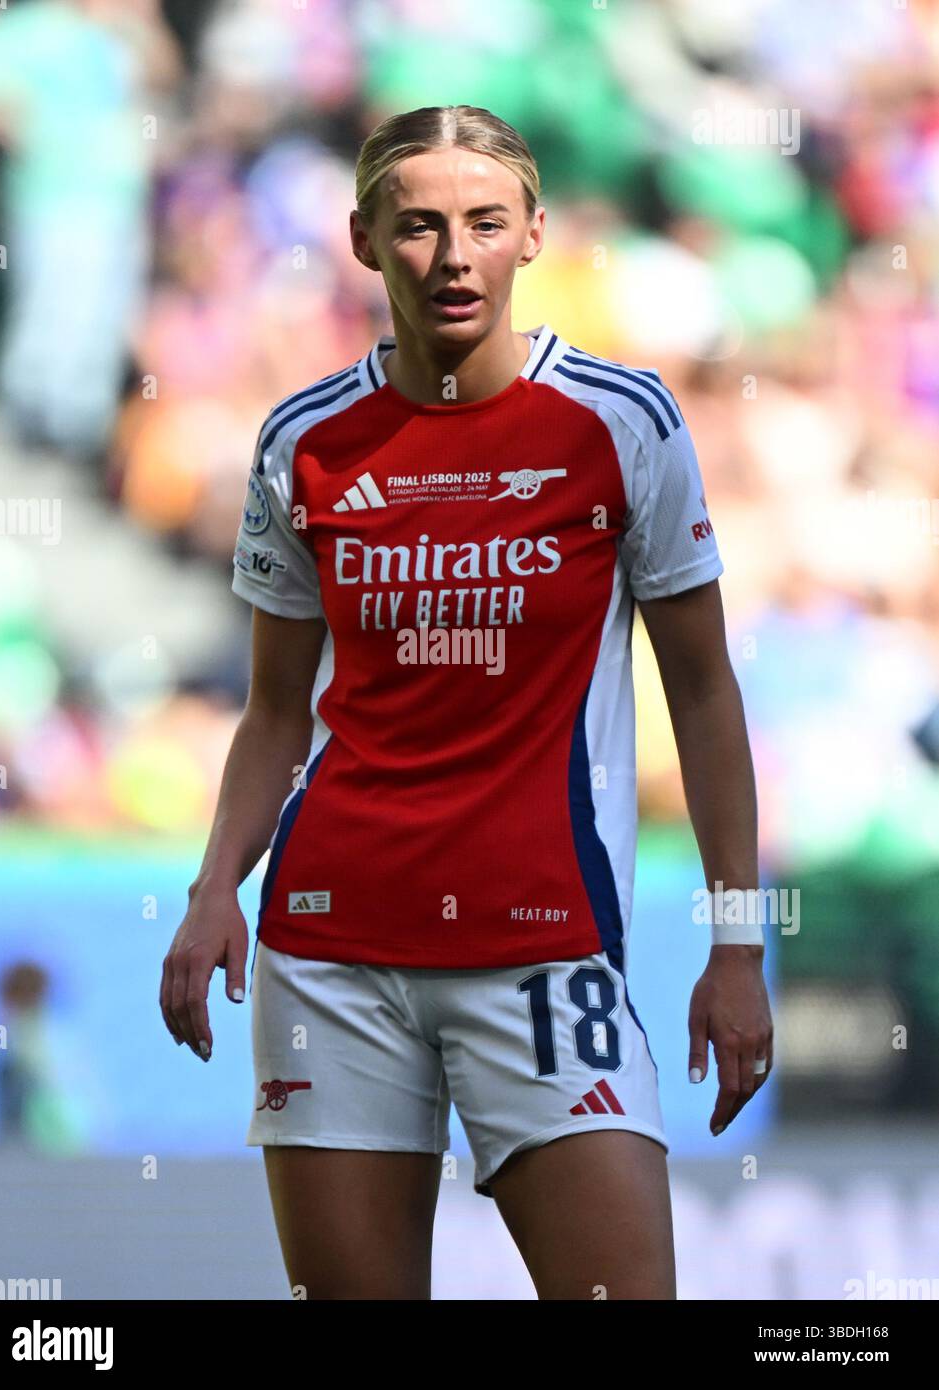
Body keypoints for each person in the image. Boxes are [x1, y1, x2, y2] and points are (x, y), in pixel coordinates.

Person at [160, 104, 773, 1301]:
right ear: (360, 240)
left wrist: (738, 939)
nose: (452, 258)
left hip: (547, 954)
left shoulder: (622, 422)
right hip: (331, 951)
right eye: (419, 227)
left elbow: (700, 689)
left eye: (484, 224)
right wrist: (208, 891)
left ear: (533, 234)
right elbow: (275, 713)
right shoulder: (303, 441)